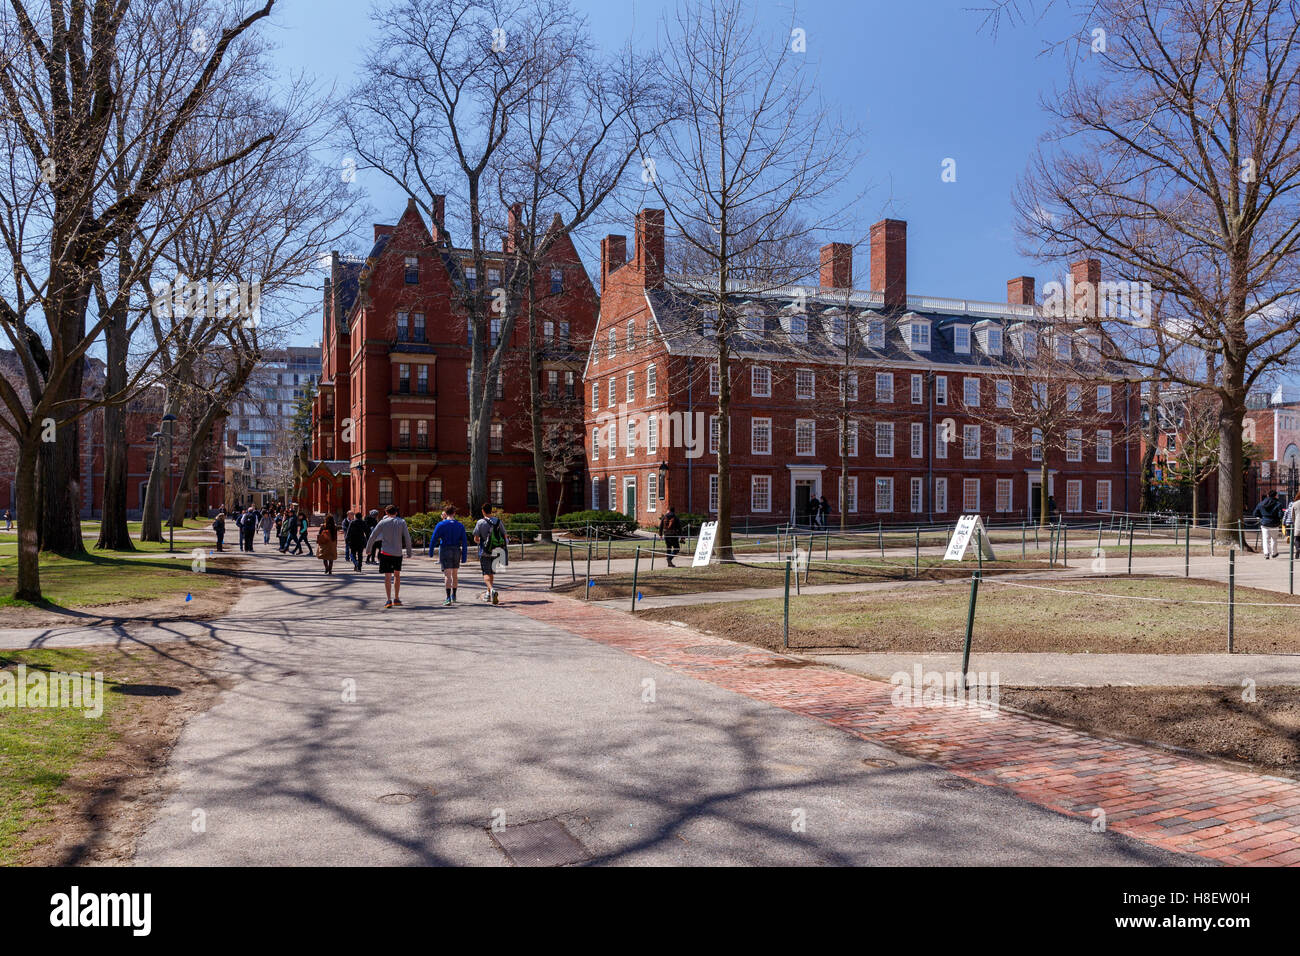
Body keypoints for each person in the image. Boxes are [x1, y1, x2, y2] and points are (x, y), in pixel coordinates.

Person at [365, 504, 413, 608]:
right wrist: (409, 551)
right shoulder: (402, 522)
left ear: (386, 513)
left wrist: (368, 549)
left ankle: (388, 600)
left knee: (387, 577)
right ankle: (396, 598)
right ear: (396, 512)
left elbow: (373, 535)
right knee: (397, 575)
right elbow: (407, 537)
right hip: (397, 553)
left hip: (385, 552)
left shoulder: (382, 522)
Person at [428, 506, 469, 606]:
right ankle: (454, 595)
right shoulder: (460, 525)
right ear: (454, 513)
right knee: (455, 574)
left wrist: (431, 551)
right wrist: (464, 556)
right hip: (456, 550)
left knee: (447, 575)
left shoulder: (441, 524)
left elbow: (434, 538)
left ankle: (447, 597)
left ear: (445, 513)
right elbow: (464, 541)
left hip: (445, 549)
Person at [474, 503, 509, 604]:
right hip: (497, 551)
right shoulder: (498, 521)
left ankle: (492, 590)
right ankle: (488, 594)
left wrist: (481, 540)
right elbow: (505, 535)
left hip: (485, 551)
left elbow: (476, 539)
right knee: (491, 573)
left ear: (483, 511)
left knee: (486, 573)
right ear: (491, 510)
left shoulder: (480, 522)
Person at [1254, 490, 1283, 559]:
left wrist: (1262, 517)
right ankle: (1274, 553)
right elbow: (1280, 515)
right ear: (1275, 495)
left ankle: (1266, 553)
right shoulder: (1278, 504)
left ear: (1268, 495)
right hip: (1275, 523)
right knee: (1274, 539)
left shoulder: (1261, 503)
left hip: (1264, 523)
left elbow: (1255, 513)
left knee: (1265, 539)